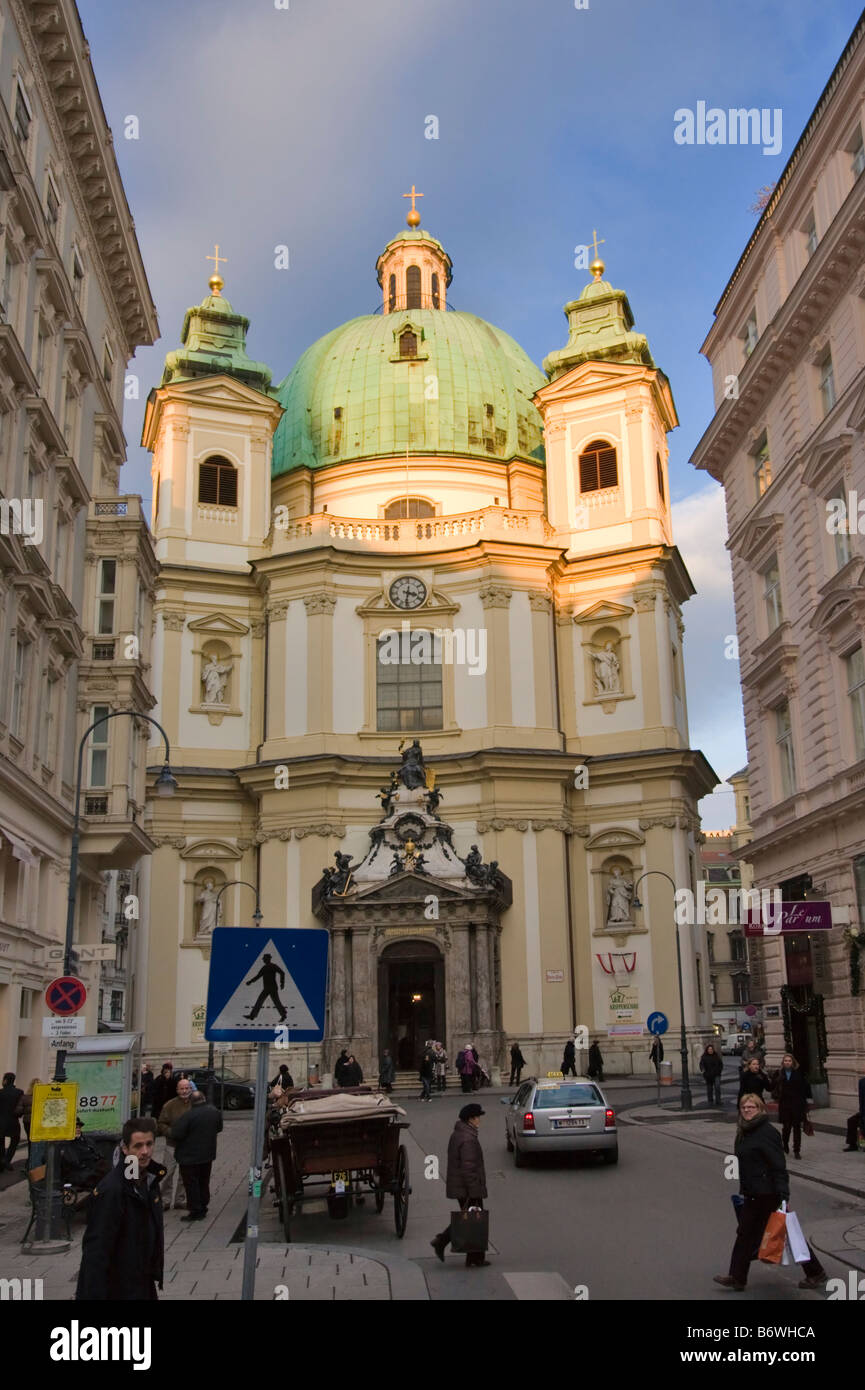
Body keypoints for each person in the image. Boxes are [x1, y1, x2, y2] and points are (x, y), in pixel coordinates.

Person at [713, 1094, 827, 1292]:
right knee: (745, 1234)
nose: (747, 1110)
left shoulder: (767, 1132)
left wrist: (783, 1194)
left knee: (786, 1233)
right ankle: (737, 1277)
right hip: (753, 1193)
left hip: (769, 1193)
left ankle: (816, 1272)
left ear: (760, 1109)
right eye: (743, 1107)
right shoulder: (744, 1131)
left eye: (751, 1107)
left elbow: (778, 1165)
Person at [75, 1116, 166, 1301]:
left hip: (142, 1279)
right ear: (125, 1148)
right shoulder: (113, 1189)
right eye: (138, 1146)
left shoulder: (146, 1178)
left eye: (149, 1144)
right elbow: (96, 1250)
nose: (145, 1151)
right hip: (120, 1287)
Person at [430, 1104, 489, 1268]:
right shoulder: (467, 1138)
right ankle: (443, 1242)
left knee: (470, 1219)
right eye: (478, 1117)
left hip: (462, 1186)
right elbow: (468, 1167)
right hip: (467, 1187)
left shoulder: (461, 1133)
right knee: (472, 1219)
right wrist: (474, 1190)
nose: (480, 1120)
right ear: (471, 1119)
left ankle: (474, 1258)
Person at [170, 1089, 223, 1221]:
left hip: (189, 1157)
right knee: (204, 1181)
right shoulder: (215, 1112)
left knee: (191, 1184)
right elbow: (219, 1128)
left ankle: (196, 1211)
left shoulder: (188, 1116)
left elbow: (176, 1134)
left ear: (191, 1102)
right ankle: (203, 1205)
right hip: (207, 1154)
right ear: (204, 1099)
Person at [156, 1077, 193, 1201]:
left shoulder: (196, 1104)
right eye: (181, 1088)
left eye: (187, 1088)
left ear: (191, 1089)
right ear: (177, 1090)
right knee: (167, 1173)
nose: (184, 1091)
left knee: (185, 1175)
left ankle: (180, 1200)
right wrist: (171, 1132)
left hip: (188, 1146)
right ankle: (165, 1200)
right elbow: (161, 1123)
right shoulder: (170, 1105)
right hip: (172, 1145)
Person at [772, 1053, 811, 1159]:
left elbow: (804, 1088)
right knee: (787, 1128)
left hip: (797, 1104)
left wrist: (806, 1104)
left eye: (789, 1061)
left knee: (797, 1128)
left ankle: (797, 1150)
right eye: (785, 1061)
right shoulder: (779, 1073)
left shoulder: (798, 1073)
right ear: (783, 1062)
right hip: (785, 1104)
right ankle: (785, 1143)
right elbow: (773, 1087)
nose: (787, 1062)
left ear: (793, 1062)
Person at [60, 1119, 109, 1191]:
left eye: (79, 1127)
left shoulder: (87, 1140)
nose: (78, 1129)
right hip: (79, 1174)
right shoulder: (67, 1144)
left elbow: (98, 1154)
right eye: (75, 1127)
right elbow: (74, 1162)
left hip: (91, 1170)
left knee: (107, 1171)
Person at [0, 1072, 24, 1171]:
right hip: (14, 1121)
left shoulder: (0, 1092)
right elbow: (21, 1107)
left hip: (1, 1121)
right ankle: (7, 1160)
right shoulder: (19, 1092)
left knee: (0, 1142)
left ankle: (2, 1161)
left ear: (5, 1080)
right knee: (15, 1141)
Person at [843, 1069, 865, 1151]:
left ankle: (863, 1143)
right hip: (863, 1111)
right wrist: (862, 1114)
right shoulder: (862, 1082)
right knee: (851, 1120)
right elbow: (861, 1099)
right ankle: (852, 1144)